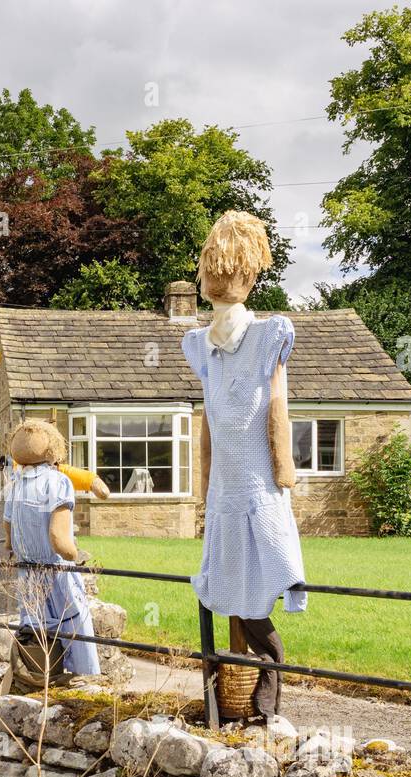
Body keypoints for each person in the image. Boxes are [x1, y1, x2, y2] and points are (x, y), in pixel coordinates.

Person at [183, 210, 307, 717]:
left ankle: (269, 679)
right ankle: (227, 693)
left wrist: (284, 469)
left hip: (257, 482)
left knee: (269, 570)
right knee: (224, 584)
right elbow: (208, 416)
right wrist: (205, 478)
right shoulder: (199, 345)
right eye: (210, 271)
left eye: (228, 270)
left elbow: (277, 403)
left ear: (250, 276)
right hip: (224, 492)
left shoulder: (269, 334)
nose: (217, 280)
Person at [1, 419, 100, 678]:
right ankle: (85, 678)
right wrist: (75, 556)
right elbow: (59, 538)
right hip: (56, 569)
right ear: (52, 448)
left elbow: (8, 536)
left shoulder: (13, 485)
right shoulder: (57, 482)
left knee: (35, 629)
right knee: (75, 626)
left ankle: (39, 677)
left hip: (27, 572)